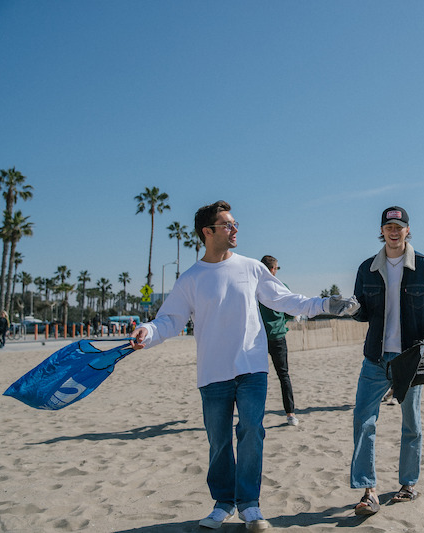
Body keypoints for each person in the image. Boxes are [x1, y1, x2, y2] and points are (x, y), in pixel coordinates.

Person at [130, 201, 358, 531]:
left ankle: (250, 505)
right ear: (208, 232)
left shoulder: (251, 268)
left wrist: (327, 304)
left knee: (252, 432)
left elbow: (285, 300)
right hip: (213, 373)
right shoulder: (191, 279)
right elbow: (169, 320)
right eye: (227, 224)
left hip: (252, 369)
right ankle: (224, 503)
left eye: (235, 223)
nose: (235, 229)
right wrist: (146, 333)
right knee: (219, 440)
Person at [349, 206, 424, 516]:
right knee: (363, 421)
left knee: (412, 424)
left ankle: (408, 483)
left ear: (408, 230)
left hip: (410, 357)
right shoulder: (366, 268)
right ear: (381, 230)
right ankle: (369, 491)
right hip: (375, 358)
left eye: (399, 226)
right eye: (388, 226)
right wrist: (352, 308)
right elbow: (363, 311)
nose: (394, 231)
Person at [258, 255, 299, 426]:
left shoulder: (255, 288)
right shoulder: (282, 287)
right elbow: (291, 311)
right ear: (273, 269)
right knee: (283, 375)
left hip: (258, 338)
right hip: (277, 336)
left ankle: (255, 415)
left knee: (257, 377)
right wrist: (281, 321)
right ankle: (290, 413)